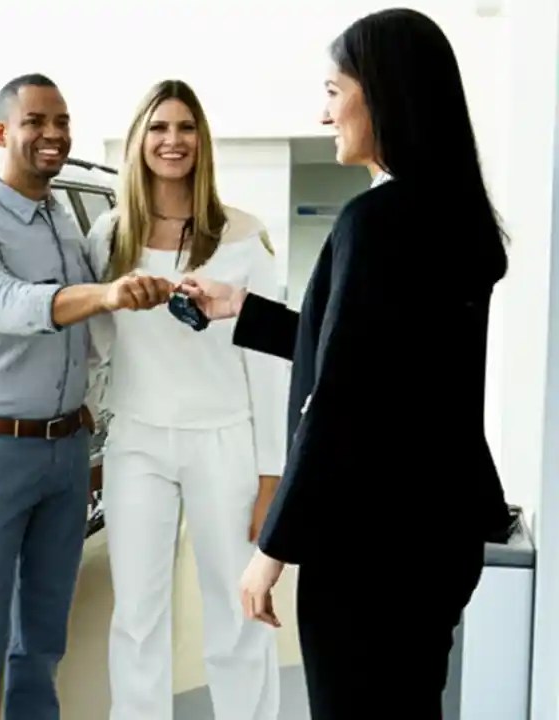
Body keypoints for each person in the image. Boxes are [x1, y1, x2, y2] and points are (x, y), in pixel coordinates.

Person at [175, 9, 512, 718]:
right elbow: (378, 357)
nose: (323, 113)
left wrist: (273, 547)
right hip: (436, 533)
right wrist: (246, 308)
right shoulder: (454, 216)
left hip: (370, 544)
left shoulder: (376, 221)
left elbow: (343, 398)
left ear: (383, 93)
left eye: (333, 91)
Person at [0, 72, 172, 720]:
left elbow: (97, 335)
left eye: (61, 121)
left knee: (40, 641)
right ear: (1, 131)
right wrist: (105, 294)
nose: (53, 134)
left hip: (65, 452)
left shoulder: (62, 221)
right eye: (35, 121)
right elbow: (0, 302)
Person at [83, 79, 288, 720]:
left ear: (203, 140)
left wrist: (271, 475)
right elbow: (95, 346)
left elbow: (271, 364)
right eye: (159, 127)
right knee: (137, 617)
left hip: (225, 440)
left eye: (186, 127)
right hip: (137, 441)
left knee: (237, 609)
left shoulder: (243, 236)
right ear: (138, 141)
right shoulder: (109, 236)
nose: (173, 141)